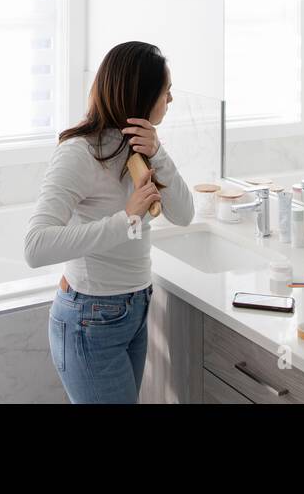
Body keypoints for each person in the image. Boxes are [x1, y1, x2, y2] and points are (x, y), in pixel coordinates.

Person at [23, 41, 194, 403]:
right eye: (167, 91)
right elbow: (35, 247)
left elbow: (184, 214)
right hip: (90, 319)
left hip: (133, 308)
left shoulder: (140, 148)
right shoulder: (80, 153)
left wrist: (159, 153)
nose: (171, 100)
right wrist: (126, 217)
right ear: (142, 96)